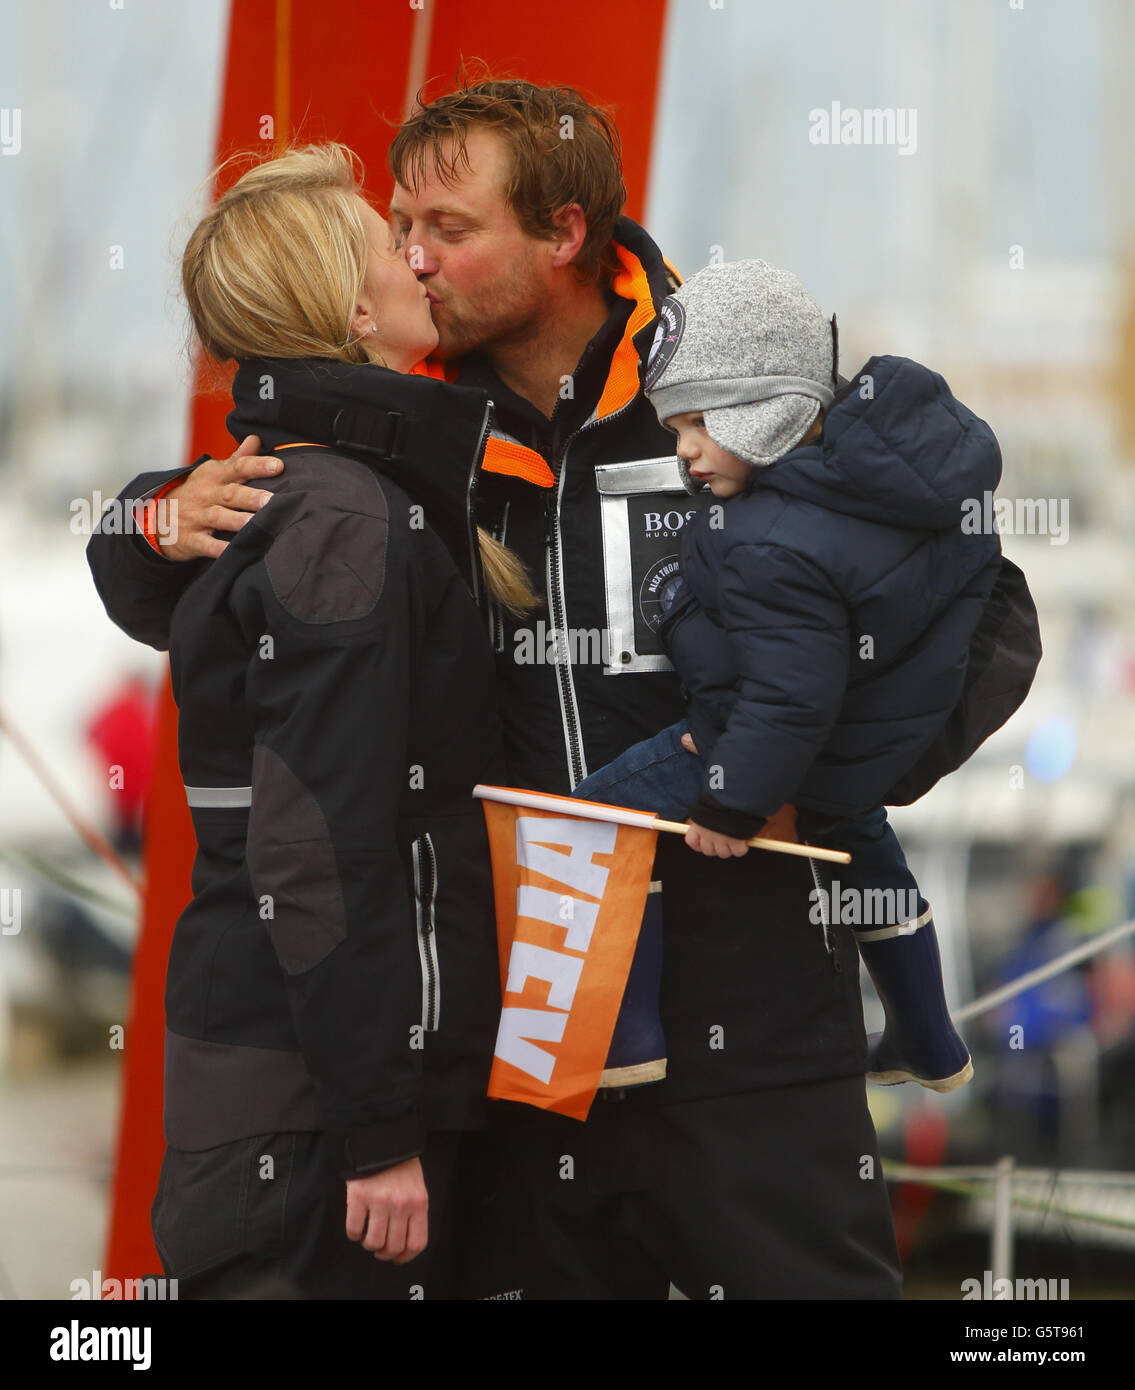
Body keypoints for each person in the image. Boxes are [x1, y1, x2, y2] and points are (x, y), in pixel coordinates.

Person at [88, 80, 902, 1300]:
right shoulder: (408, 431)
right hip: (522, 1032)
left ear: (562, 233)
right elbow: (241, 554)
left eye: (448, 229)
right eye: (399, 228)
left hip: (748, 1010)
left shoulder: (739, 381)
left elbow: (968, 614)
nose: (417, 254)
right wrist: (146, 519)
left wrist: (804, 772)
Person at [113, 143, 542, 1299]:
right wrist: (376, 1129)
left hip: (274, 1106)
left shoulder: (294, 490)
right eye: (388, 244)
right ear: (352, 306)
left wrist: (134, 520)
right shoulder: (343, 516)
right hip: (314, 1133)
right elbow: (316, 842)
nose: (417, 258)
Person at [575, 257, 1006, 1094]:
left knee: (598, 817)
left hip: (764, 743)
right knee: (863, 843)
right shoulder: (879, 481)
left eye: (698, 421)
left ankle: (622, 1040)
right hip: (861, 745)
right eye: (673, 429)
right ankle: (928, 1035)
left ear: (767, 409)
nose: (684, 451)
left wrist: (730, 800)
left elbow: (788, 693)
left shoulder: (768, 537)